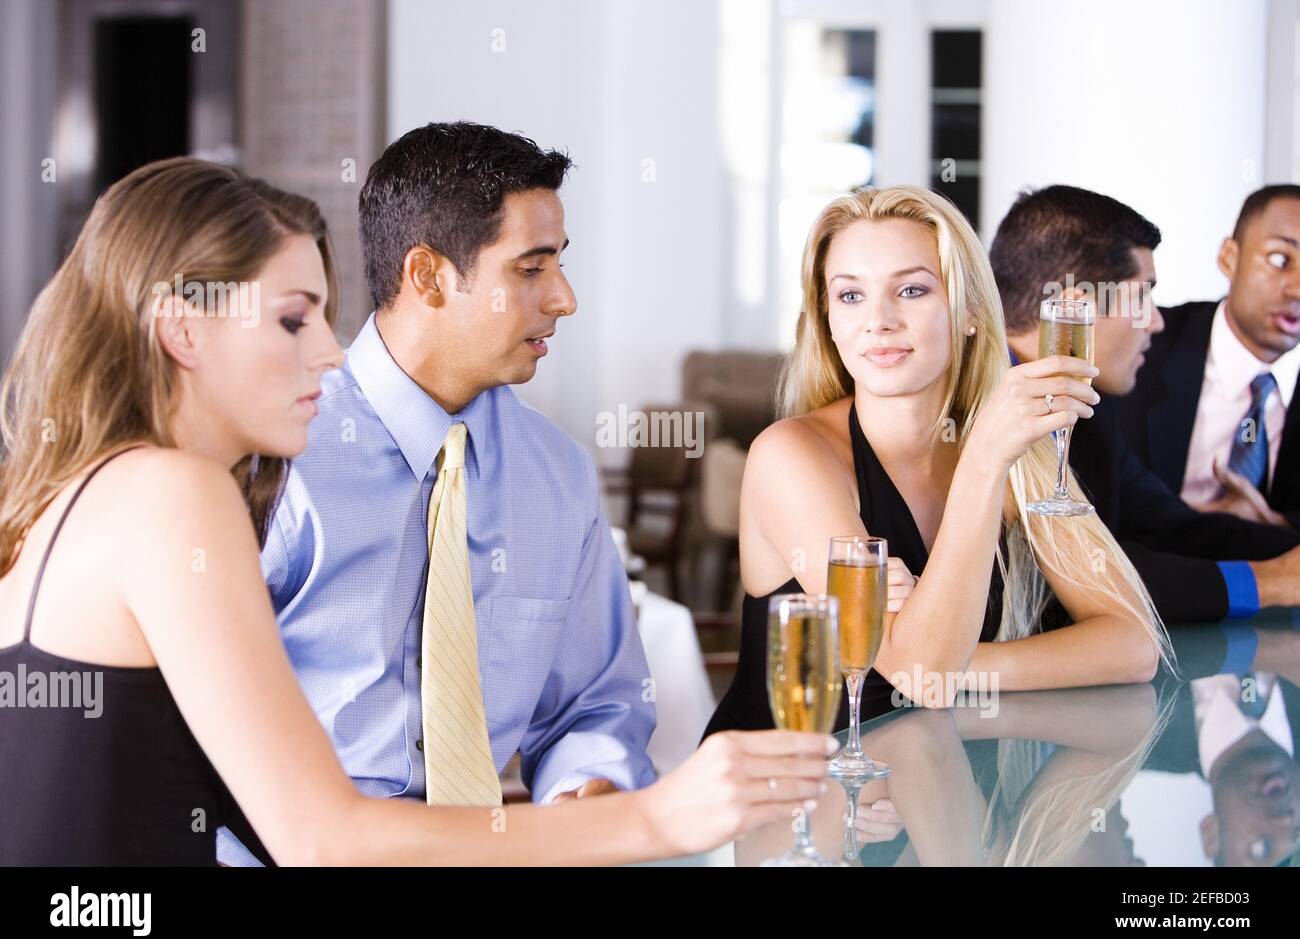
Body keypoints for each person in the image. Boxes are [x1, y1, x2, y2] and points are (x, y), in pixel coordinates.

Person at [0, 156, 834, 866]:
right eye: (293, 320)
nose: (329, 352)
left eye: (324, 315)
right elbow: (322, 838)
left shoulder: (96, 487)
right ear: (185, 331)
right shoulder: (176, 495)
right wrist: (653, 818)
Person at [215, 121, 678, 864]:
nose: (564, 299)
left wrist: (587, 788)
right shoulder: (276, 455)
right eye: (530, 269)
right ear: (428, 276)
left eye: (560, 265)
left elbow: (595, 703)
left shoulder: (558, 477)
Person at [705, 185, 1170, 738]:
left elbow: (1133, 643)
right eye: (850, 295)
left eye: (912, 289)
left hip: (927, 781)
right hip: (791, 803)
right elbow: (924, 676)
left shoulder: (1010, 445)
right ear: (827, 316)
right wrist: (983, 465)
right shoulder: (790, 456)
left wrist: (953, 665)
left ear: (970, 310)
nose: (878, 320)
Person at [990, 185, 1300, 623]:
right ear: (1074, 307)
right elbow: (1088, 576)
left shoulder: (1087, 412)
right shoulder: (979, 410)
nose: (1155, 321)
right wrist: (1274, 583)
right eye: (1141, 297)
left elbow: (1177, 529)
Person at [1115, 184, 1300, 531]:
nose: (1297, 288)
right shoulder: (1139, 347)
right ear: (1229, 258)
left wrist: (1272, 526)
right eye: (1280, 261)